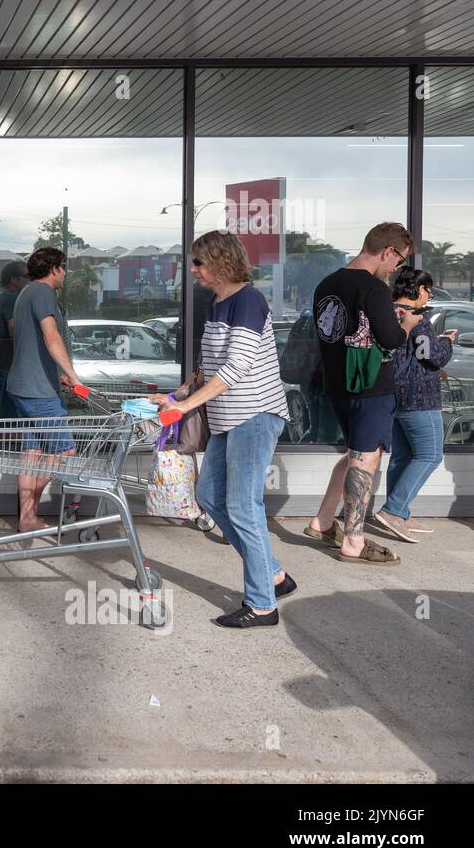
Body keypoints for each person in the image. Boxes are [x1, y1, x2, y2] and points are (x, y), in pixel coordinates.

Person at [148, 231, 293, 628]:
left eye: (198, 262)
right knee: (209, 495)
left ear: (219, 262)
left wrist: (184, 407)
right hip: (228, 417)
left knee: (244, 506)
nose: (192, 270)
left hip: (255, 415)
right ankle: (273, 574)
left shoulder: (248, 300)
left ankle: (262, 605)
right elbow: (211, 362)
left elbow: (236, 368)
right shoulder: (219, 302)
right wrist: (178, 392)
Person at [304, 222, 412, 565]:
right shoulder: (373, 287)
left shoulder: (327, 284)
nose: (397, 269)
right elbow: (392, 339)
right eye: (399, 260)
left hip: (338, 384)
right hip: (370, 386)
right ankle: (353, 539)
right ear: (388, 251)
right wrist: (405, 326)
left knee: (355, 454)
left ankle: (321, 522)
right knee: (366, 458)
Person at [370, 266, 453, 542]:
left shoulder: (388, 312)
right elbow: (431, 356)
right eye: (428, 290)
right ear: (418, 290)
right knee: (430, 455)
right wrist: (447, 342)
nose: (429, 296)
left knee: (403, 456)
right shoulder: (418, 317)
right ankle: (393, 510)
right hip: (420, 397)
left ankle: (399, 515)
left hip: (394, 394)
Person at [6, 247, 81, 533]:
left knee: (33, 452)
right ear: (54, 269)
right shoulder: (43, 293)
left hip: (24, 384)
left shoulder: (26, 293)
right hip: (37, 390)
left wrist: (57, 373)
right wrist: (73, 375)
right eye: (64, 267)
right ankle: (29, 512)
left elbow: (31, 342)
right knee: (65, 451)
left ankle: (27, 518)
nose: (65, 273)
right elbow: (51, 336)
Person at [0, 260, 26, 417]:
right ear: (14, 279)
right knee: (11, 419)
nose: (30, 280)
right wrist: (21, 362)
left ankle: (4, 441)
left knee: (6, 416)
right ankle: (6, 442)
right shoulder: (11, 297)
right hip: (6, 367)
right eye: (26, 276)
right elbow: (14, 328)